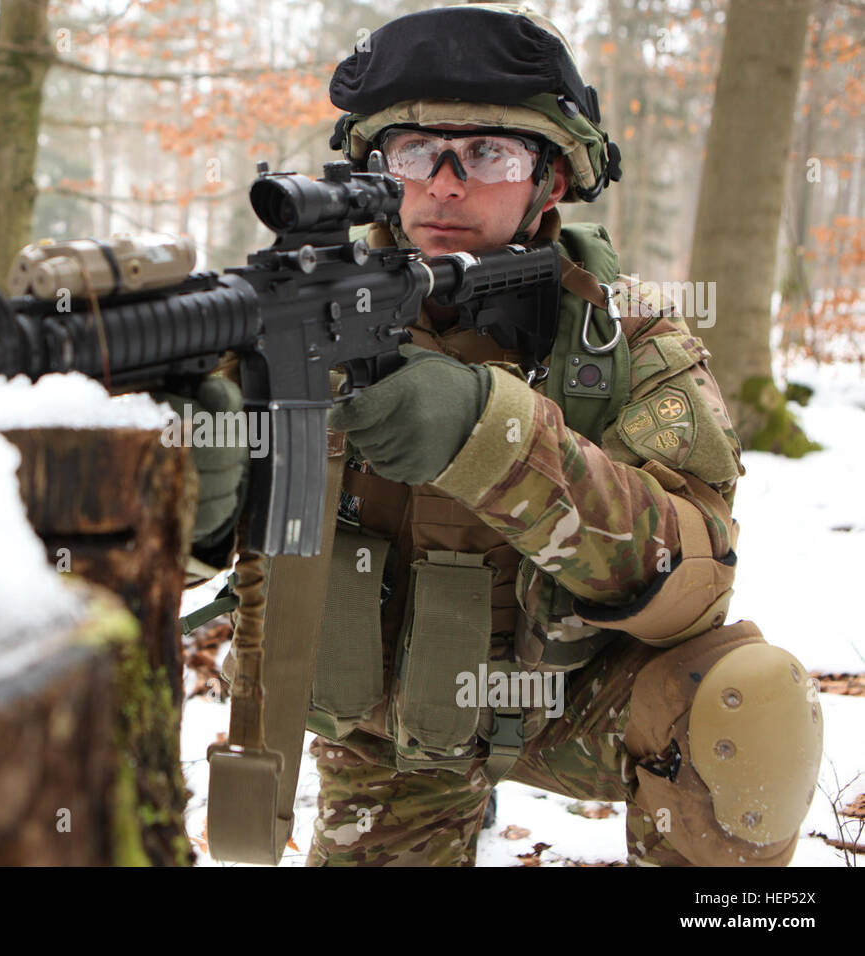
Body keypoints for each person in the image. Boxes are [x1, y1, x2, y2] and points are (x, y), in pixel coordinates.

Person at [179, 2, 821, 867]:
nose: (444, 182)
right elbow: (147, 570)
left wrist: (497, 441)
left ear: (549, 182)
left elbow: (697, 577)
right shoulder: (290, 319)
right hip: (380, 730)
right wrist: (193, 509)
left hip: (563, 701)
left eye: (488, 152)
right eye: (413, 151)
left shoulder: (624, 335)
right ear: (375, 170)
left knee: (747, 703)